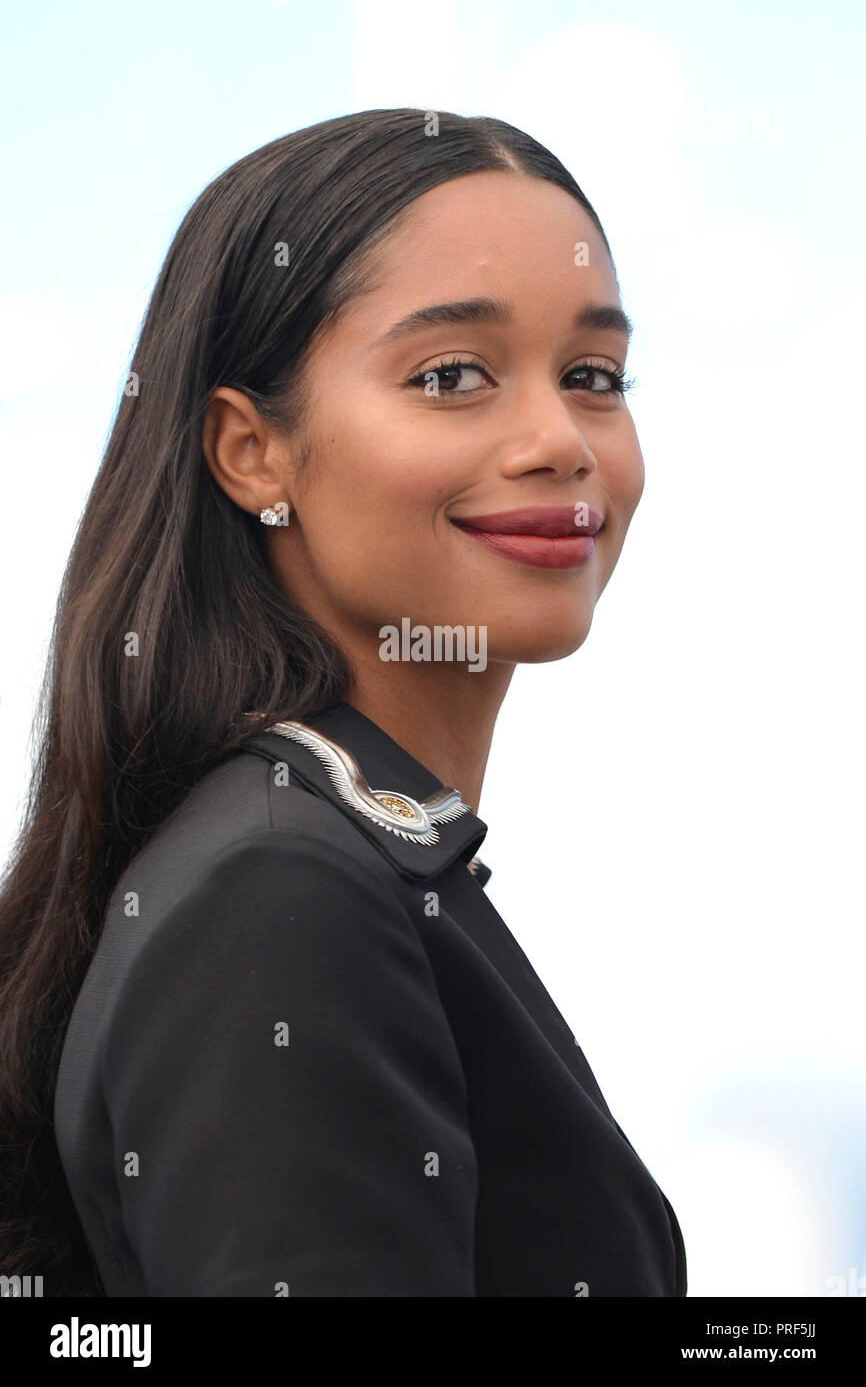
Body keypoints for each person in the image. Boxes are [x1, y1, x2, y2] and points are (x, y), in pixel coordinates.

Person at [0, 108, 686, 1297]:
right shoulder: (280, 889)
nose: (557, 440)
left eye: (592, 377)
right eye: (449, 376)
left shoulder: (330, 855)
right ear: (249, 450)